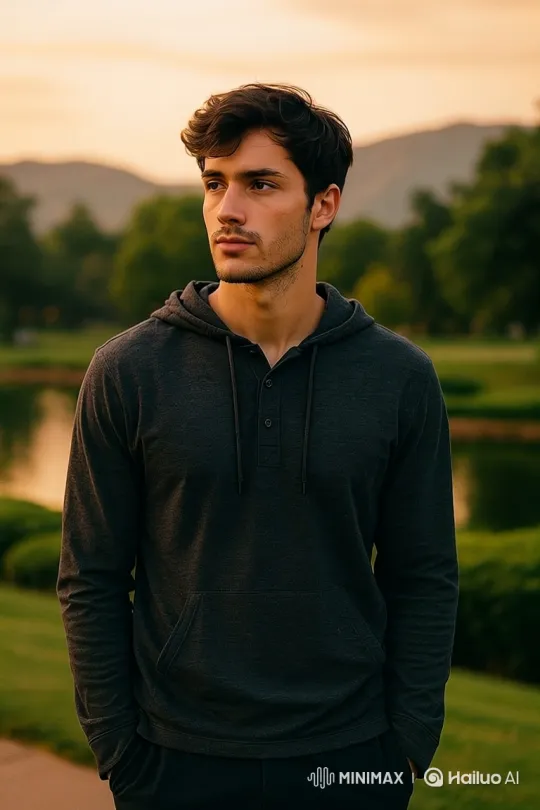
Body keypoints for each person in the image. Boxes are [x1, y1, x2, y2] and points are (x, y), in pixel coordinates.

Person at [56, 83, 459, 809]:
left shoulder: (400, 379)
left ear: (323, 206)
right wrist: (120, 749)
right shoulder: (129, 371)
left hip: (352, 757)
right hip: (175, 760)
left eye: (260, 184)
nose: (226, 210)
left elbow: (424, 576)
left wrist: (405, 748)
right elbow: (90, 576)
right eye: (214, 184)